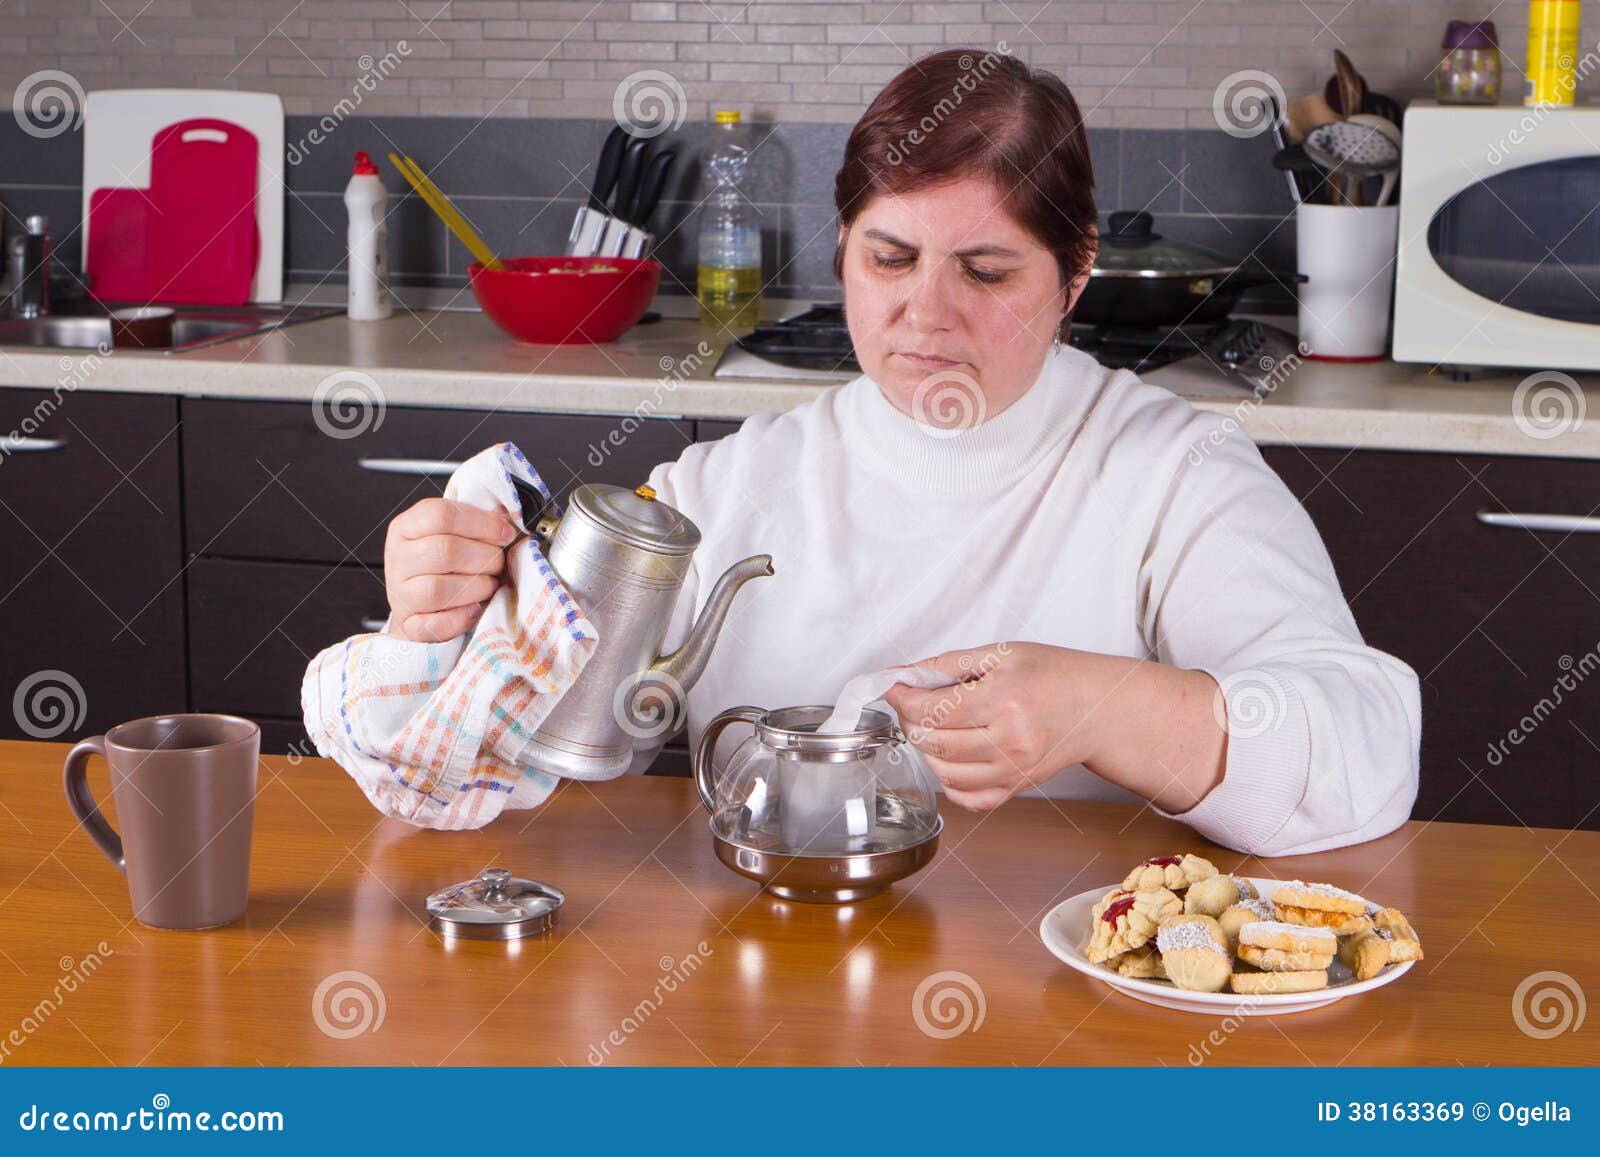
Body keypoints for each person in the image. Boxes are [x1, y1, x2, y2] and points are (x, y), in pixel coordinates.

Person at [380, 49, 1420, 857]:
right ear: (842, 247)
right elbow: (494, 746)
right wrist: (440, 622)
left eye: (985, 269)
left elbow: (1366, 754)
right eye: (890, 257)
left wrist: (1107, 707)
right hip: (762, 1012)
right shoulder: (727, 485)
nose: (926, 312)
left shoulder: (1171, 473)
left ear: (1074, 273)